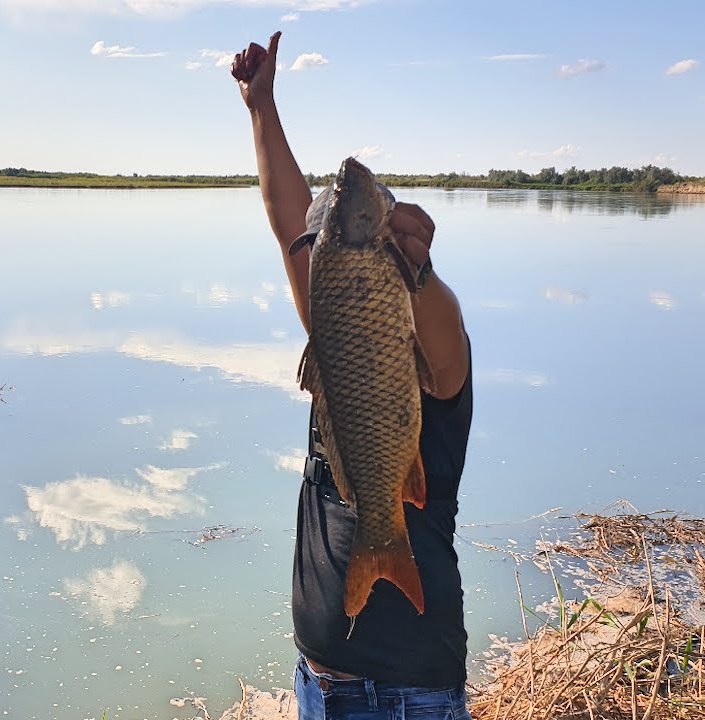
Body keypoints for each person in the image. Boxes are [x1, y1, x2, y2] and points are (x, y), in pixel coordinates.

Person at [232, 31, 475, 720]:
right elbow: (287, 223)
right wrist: (261, 107)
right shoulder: (338, 346)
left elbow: (446, 336)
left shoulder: (431, 354)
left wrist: (417, 272)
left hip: (404, 697)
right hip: (321, 683)